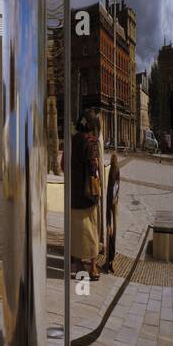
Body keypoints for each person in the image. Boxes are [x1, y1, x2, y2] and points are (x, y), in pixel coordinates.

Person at [69, 113, 103, 281]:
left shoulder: (71, 141)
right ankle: (93, 266)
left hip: (73, 193)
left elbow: (62, 165)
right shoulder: (91, 142)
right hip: (88, 194)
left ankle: (79, 264)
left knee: (76, 231)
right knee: (91, 230)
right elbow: (93, 167)